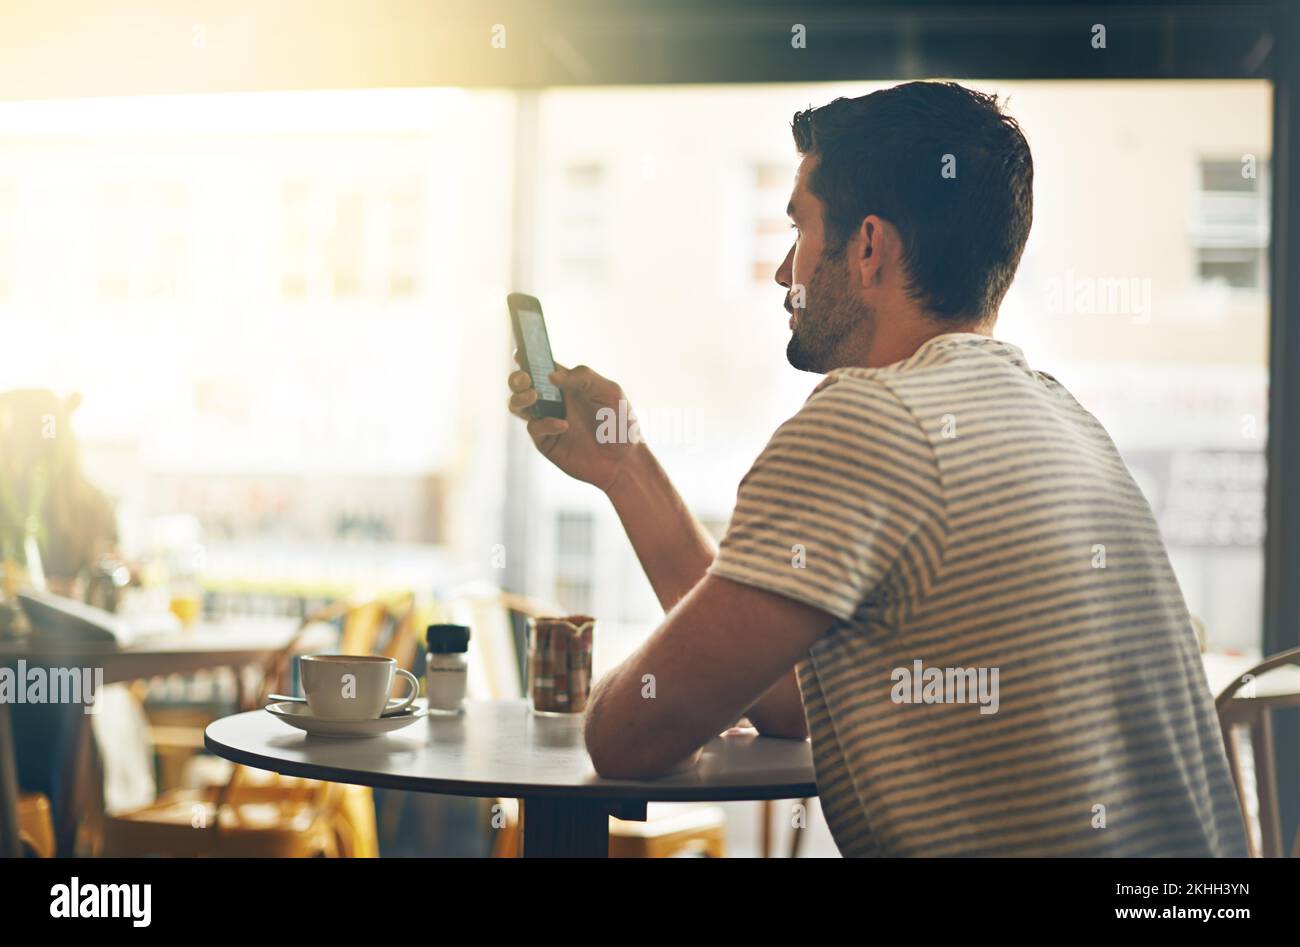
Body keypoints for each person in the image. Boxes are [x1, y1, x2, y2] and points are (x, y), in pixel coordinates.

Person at [506, 81, 1248, 857]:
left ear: (867, 246)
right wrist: (627, 470)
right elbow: (790, 697)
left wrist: (607, 699)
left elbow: (627, 735)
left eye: (797, 227)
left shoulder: (869, 420)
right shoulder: (1065, 422)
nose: (782, 270)